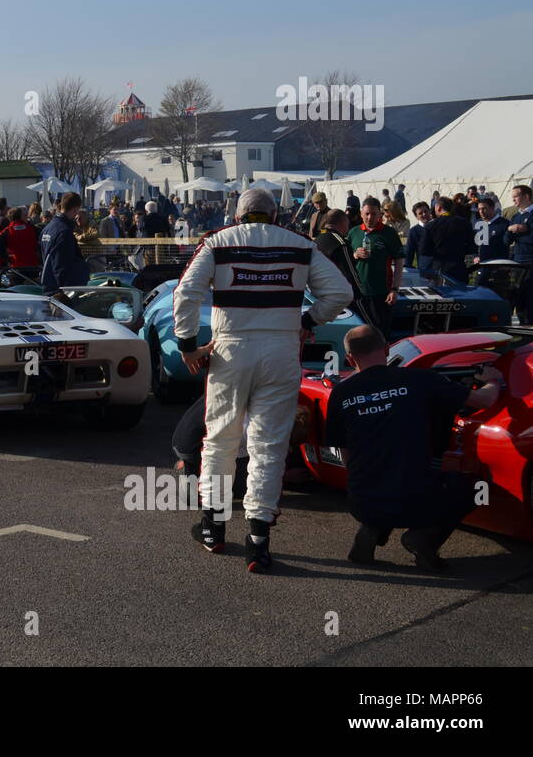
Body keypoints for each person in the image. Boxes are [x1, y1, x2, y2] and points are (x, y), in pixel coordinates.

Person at [173, 188, 352, 572]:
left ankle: (213, 528)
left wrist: (188, 344)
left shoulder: (219, 242)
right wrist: (307, 321)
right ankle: (259, 539)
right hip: (281, 351)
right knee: (268, 446)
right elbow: (340, 292)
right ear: (274, 216)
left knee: (220, 440)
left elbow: (186, 292)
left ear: (240, 216)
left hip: (231, 351)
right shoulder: (299, 244)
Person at [325, 325, 499, 569]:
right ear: (386, 350)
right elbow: (485, 399)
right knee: (477, 487)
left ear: (349, 358)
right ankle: (423, 538)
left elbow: (344, 453)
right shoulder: (420, 379)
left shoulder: (340, 393)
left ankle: (372, 528)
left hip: (360, 501)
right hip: (414, 499)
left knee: (381, 483)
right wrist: (492, 379)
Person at [348, 198, 404, 342]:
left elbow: (399, 261)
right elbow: (345, 259)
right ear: (361, 213)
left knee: (380, 335)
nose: (370, 217)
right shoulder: (354, 232)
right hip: (357, 294)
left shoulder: (389, 233)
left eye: (373, 214)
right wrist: (355, 254)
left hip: (381, 293)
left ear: (380, 214)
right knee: (358, 336)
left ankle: (383, 362)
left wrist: (395, 289)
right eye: (367, 214)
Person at [39, 193, 90, 297]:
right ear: (75, 210)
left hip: (48, 286)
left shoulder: (47, 229)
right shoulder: (64, 232)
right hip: (61, 292)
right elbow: (62, 265)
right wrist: (66, 292)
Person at [421, 196, 476, 283]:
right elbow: (472, 247)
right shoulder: (464, 223)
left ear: (438, 207)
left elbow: (424, 250)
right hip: (458, 268)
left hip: (438, 270)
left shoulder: (431, 225)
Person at [504, 185, 533, 322]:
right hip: (517, 261)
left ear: (526, 196)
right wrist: (511, 230)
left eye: (516, 196)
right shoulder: (515, 216)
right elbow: (506, 240)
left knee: (529, 295)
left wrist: (524, 230)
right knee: (518, 294)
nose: (513, 199)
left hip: (530, 260)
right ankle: (523, 326)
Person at [0, 207, 42, 280]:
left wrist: (6, 258)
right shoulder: (32, 228)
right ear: (20, 216)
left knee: (17, 289)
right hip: (33, 266)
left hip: (16, 267)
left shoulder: (8, 230)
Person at [403, 202, 433, 270]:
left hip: (441, 270)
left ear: (429, 211)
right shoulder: (413, 231)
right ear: (416, 217)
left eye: (426, 211)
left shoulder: (438, 227)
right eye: (420, 213)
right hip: (424, 270)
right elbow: (409, 254)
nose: (424, 214)